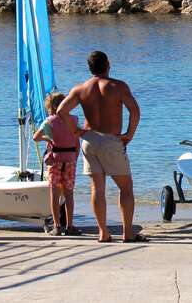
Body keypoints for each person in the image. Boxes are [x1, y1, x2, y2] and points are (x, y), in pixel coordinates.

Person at [57, 51, 145, 243]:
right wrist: (129, 134)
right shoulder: (118, 86)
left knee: (97, 187)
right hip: (110, 140)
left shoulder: (81, 89)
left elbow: (60, 110)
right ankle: (127, 232)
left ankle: (103, 232)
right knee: (126, 187)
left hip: (89, 140)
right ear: (108, 64)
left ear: (90, 68)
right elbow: (135, 111)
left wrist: (76, 131)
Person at [33, 92, 85, 236]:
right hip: (70, 159)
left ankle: (57, 226)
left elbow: (35, 137)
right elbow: (77, 141)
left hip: (55, 160)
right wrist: (75, 156)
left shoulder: (49, 121)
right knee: (69, 194)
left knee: (54, 194)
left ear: (51, 107)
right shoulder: (74, 120)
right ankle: (70, 226)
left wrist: (47, 138)